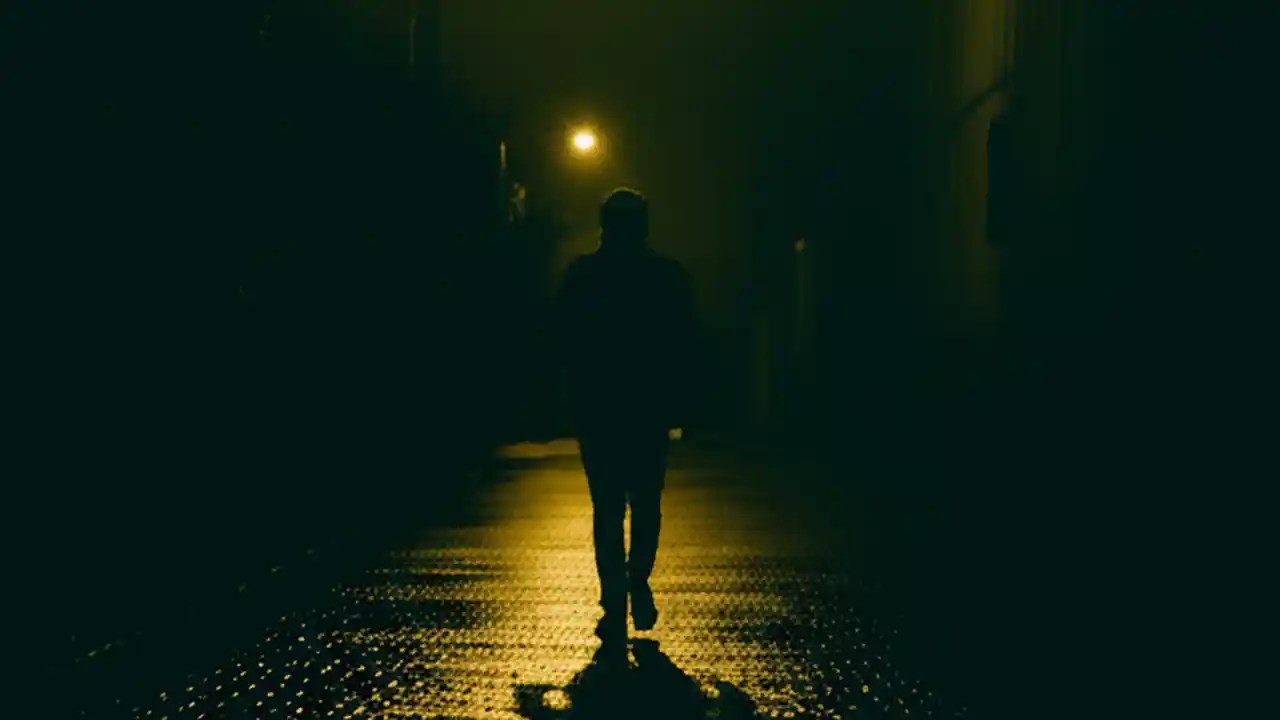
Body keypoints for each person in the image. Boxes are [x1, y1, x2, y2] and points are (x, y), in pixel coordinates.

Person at [555, 188, 700, 648]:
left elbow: (561, 339)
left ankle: (614, 598)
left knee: (607, 508)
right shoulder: (667, 277)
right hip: (647, 408)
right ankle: (638, 578)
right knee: (646, 502)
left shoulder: (583, 276)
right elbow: (687, 344)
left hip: (598, 407)